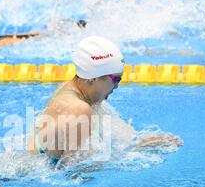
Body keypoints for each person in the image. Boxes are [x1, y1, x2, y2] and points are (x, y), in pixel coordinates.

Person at [28, 35, 183, 162]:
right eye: (115, 80)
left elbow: (108, 139)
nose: (116, 86)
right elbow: (71, 172)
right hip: (29, 173)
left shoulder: (73, 88)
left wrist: (143, 144)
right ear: (92, 78)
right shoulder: (79, 109)